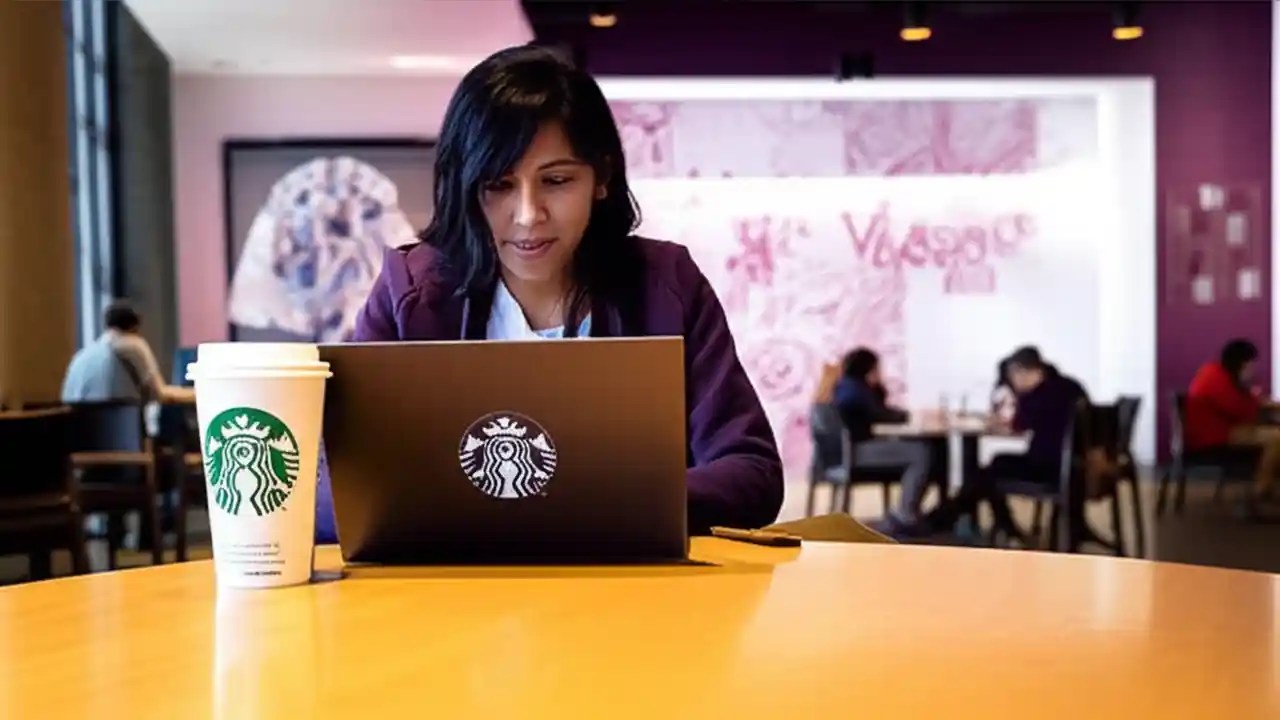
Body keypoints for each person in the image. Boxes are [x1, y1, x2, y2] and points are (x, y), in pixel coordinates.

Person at [313, 45, 783, 542]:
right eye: (498, 185)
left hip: (634, 595)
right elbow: (330, 497)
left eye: (556, 181)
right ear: (464, 186)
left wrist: (612, 503)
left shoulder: (667, 284)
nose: (528, 215)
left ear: (601, 177)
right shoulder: (408, 294)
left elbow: (751, 471)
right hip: (453, 600)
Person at [927, 346, 1088, 543]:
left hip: (1048, 468)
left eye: (1013, 378)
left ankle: (946, 517)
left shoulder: (1038, 393)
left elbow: (1019, 424)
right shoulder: (1072, 386)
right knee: (992, 468)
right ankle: (990, 521)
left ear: (1022, 372)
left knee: (987, 474)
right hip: (1076, 466)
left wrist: (1017, 399)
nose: (1013, 383)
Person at [832, 348, 932, 535]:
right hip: (857, 452)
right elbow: (879, 414)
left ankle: (909, 513)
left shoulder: (850, 386)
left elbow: (878, 410)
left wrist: (877, 388)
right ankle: (905, 514)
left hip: (857, 448)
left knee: (921, 449)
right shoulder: (852, 390)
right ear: (868, 368)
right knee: (920, 452)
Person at [61, 301, 193, 434]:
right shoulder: (132, 345)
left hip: (80, 433)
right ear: (134, 326)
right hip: (119, 431)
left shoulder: (83, 355)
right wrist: (199, 393)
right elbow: (160, 394)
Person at [1186, 338, 1278, 500]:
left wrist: (1250, 395)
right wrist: (1250, 392)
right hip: (1213, 436)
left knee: (1273, 432)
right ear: (1241, 363)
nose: (1253, 368)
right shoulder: (1215, 378)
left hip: (1219, 430)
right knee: (1276, 437)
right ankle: (1262, 488)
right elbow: (1241, 412)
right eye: (1251, 364)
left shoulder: (1214, 373)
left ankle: (1267, 484)